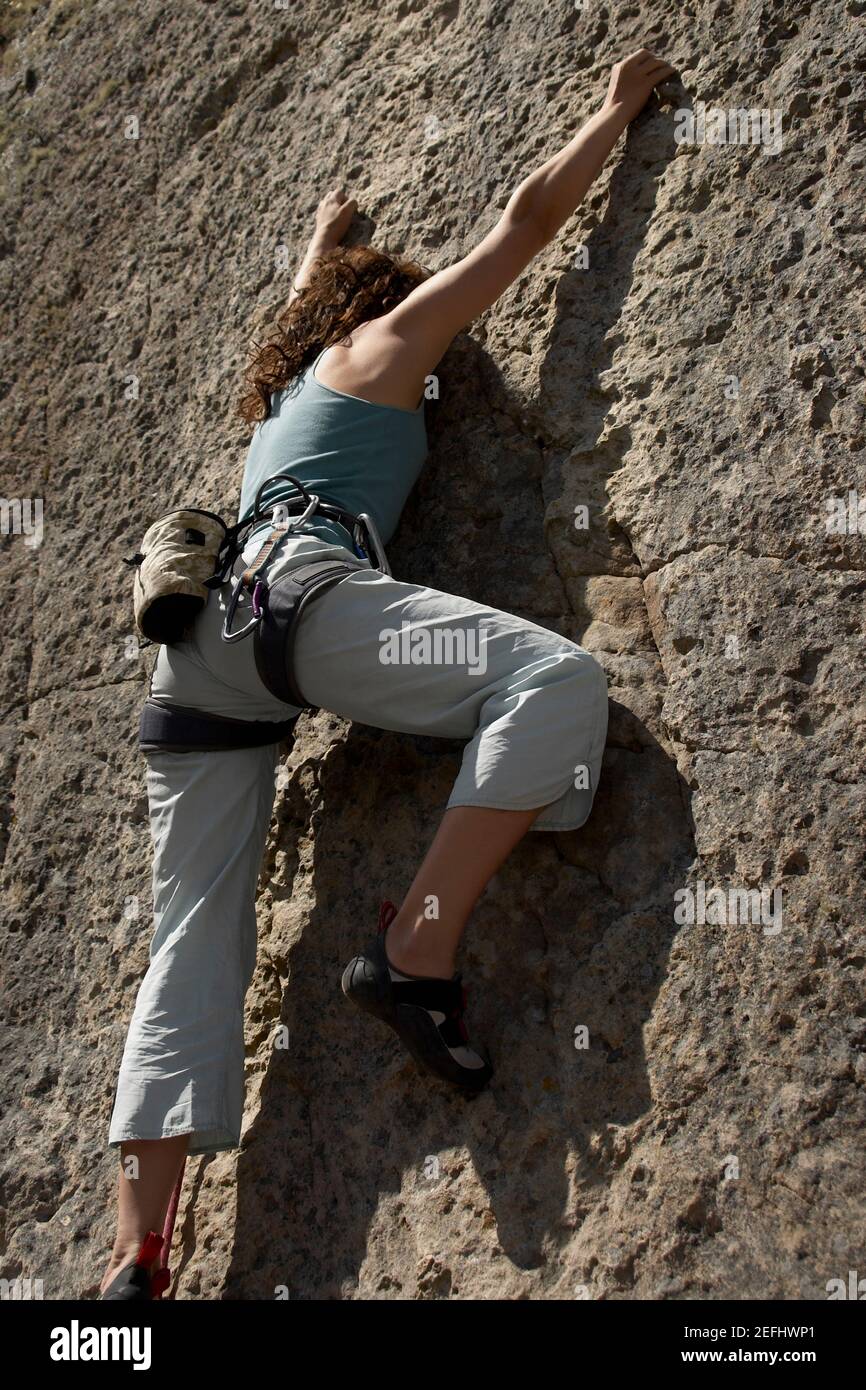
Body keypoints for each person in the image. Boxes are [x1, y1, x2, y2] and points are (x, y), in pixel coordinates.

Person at [99, 48, 676, 1300]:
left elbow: (302, 298)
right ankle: (416, 948)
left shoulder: (275, 412)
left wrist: (322, 232)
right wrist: (613, 111)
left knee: (189, 937)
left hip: (200, 657)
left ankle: (138, 1256)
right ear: (377, 309)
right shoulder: (384, 344)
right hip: (305, 613)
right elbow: (522, 227)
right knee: (555, 687)